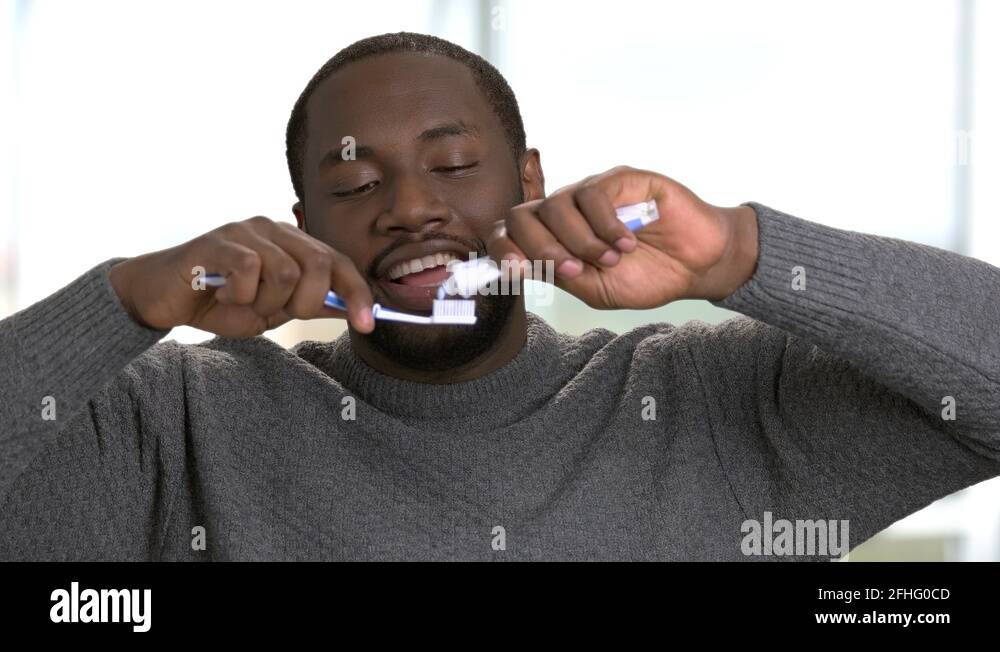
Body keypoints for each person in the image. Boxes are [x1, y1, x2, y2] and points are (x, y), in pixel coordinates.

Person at [2, 32, 998, 561]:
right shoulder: (176, 423)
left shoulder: (714, 404)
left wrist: (743, 250)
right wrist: (124, 301)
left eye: (454, 166)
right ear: (302, 221)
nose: (408, 208)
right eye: (352, 187)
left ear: (527, 181)